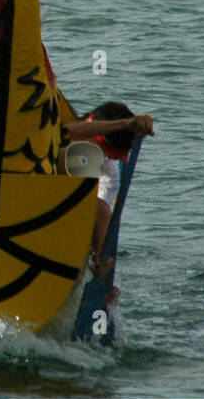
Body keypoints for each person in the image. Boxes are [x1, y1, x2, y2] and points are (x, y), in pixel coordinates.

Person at [64, 102, 154, 286]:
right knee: (101, 209)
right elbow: (68, 132)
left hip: (71, 219)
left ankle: (96, 263)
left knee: (102, 209)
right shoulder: (71, 134)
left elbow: (108, 193)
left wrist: (97, 251)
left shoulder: (107, 165)